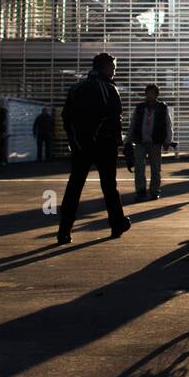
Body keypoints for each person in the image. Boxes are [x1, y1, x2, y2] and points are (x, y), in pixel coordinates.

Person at [58, 53, 129, 243]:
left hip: (81, 146)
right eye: (113, 67)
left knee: (74, 186)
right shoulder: (109, 89)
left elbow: (66, 117)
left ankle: (64, 230)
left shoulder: (76, 88)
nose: (115, 71)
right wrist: (119, 145)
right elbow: (115, 120)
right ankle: (117, 224)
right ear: (105, 68)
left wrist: (75, 141)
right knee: (109, 187)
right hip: (104, 146)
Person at [125, 84, 173, 201]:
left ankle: (154, 191)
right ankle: (140, 191)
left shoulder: (162, 107)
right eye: (148, 93)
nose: (150, 95)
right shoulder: (139, 108)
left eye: (152, 93)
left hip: (155, 142)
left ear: (156, 94)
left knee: (156, 169)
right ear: (145, 94)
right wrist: (128, 140)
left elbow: (168, 125)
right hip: (140, 142)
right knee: (139, 168)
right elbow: (133, 124)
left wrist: (168, 140)